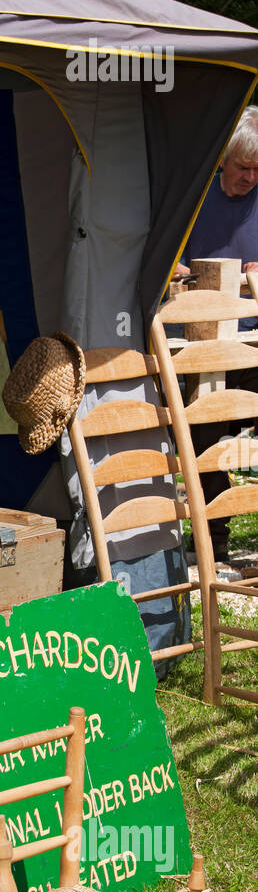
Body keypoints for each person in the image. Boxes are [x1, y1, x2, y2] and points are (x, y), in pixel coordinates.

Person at [174, 105, 258, 560]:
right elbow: (165, 256)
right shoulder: (195, 197)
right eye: (244, 167)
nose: (250, 178)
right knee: (206, 439)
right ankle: (214, 543)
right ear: (225, 160)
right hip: (206, 343)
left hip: (255, 343)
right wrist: (178, 267)